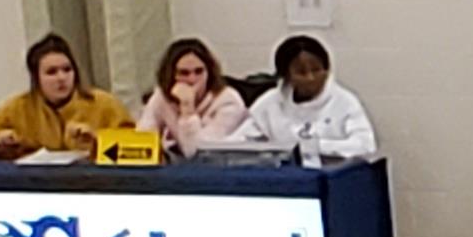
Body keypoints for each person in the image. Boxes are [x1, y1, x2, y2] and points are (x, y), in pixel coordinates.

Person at [233, 35, 379, 165]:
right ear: (286, 76)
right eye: (301, 72)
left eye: (316, 70)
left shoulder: (345, 101)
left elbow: (365, 145)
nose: (310, 78)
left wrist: (316, 147)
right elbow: (238, 143)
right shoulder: (269, 103)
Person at [0, 34, 125, 159]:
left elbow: (133, 145)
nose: (61, 78)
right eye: (51, 72)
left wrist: (96, 141)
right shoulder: (17, 108)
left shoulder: (104, 104)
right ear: (36, 78)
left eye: (67, 69)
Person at [135, 38, 247, 158]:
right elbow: (142, 142)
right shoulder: (161, 97)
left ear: (209, 73)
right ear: (171, 76)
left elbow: (198, 153)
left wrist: (187, 109)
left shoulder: (229, 102)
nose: (192, 80)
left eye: (199, 72)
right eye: (184, 73)